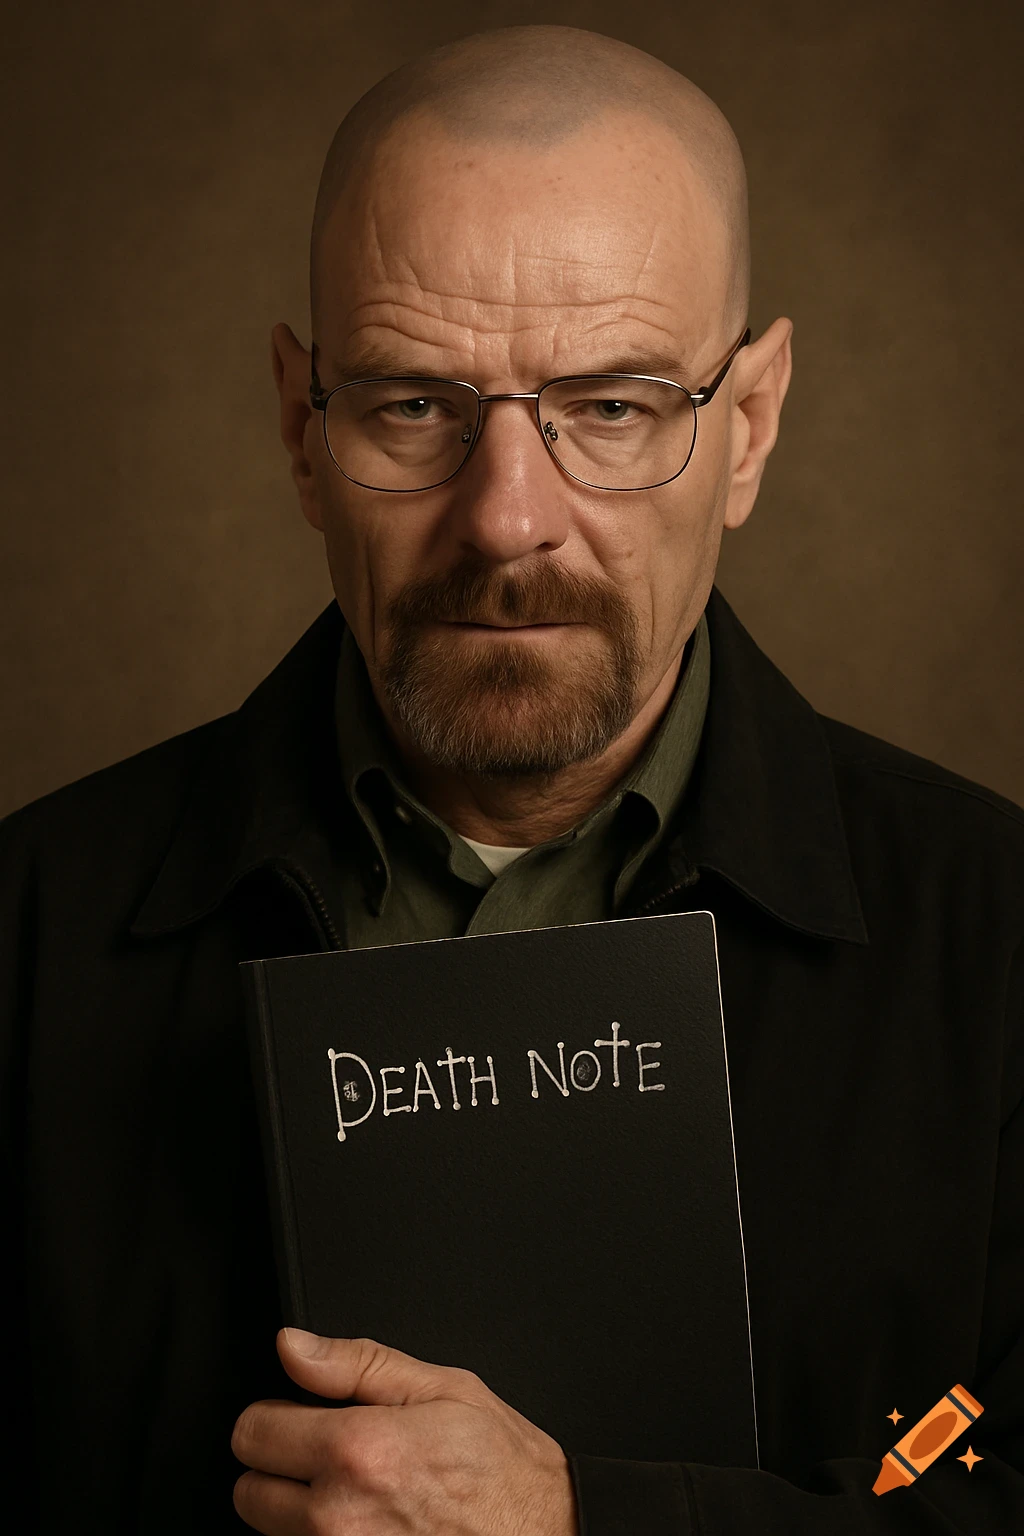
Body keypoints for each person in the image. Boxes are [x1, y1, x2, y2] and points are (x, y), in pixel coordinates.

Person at [2, 21, 1021, 1536]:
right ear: (300, 425)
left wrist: (587, 1522)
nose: (506, 519)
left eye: (611, 406)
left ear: (747, 428)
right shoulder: (22, 938)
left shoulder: (1001, 947)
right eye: (416, 403)